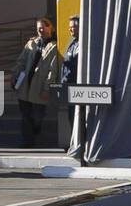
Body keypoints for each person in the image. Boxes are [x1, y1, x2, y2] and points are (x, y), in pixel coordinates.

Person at [12, 16, 60, 148]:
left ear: (51, 28)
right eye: (38, 28)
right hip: (25, 85)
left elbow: (53, 70)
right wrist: (15, 77)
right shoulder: (31, 43)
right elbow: (21, 62)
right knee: (25, 116)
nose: (41, 30)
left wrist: (47, 88)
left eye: (43, 27)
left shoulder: (54, 46)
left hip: (39, 87)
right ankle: (27, 141)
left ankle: (35, 132)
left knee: (38, 117)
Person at [59, 14, 85, 159]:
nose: (71, 30)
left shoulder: (85, 43)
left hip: (79, 87)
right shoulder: (72, 43)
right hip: (68, 87)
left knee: (79, 117)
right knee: (71, 116)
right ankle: (74, 143)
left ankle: (81, 143)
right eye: (70, 28)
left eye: (74, 27)